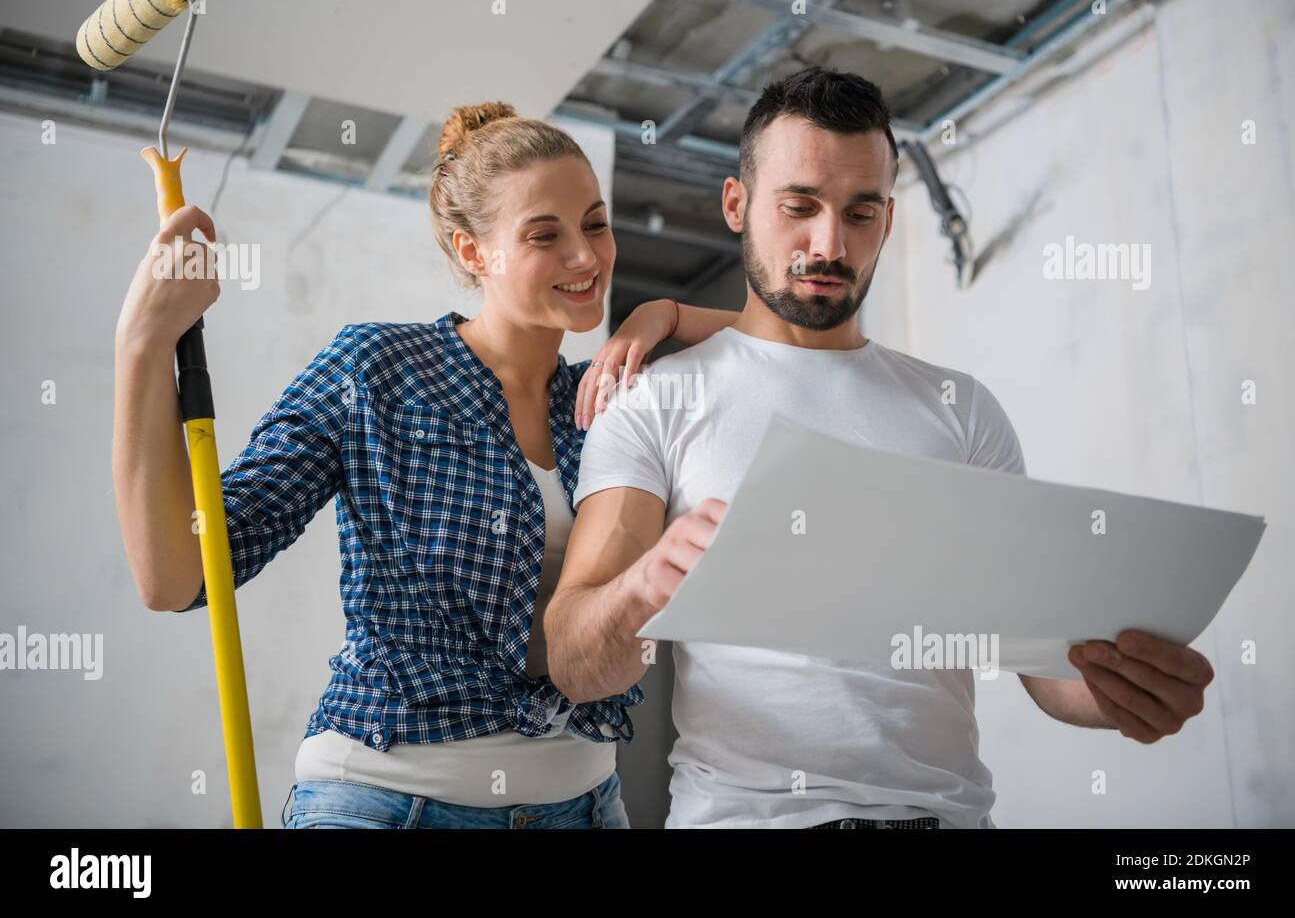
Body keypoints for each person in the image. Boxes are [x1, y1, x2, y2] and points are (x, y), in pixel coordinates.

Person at [545, 66, 1216, 829]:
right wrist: (644, 587)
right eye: (799, 206)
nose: (829, 244)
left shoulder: (962, 411)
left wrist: (1121, 693)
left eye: (860, 212)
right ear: (737, 205)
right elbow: (574, 661)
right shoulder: (655, 400)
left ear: (889, 222)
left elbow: (1041, 661)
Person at [112, 100, 739, 829]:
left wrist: (660, 314)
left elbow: (779, 342)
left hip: (584, 807)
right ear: (471, 251)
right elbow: (181, 574)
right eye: (546, 234)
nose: (586, 256)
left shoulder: (606, 402)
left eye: (595, 225)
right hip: (386, 803)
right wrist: (143, 346)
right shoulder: (376, 369)